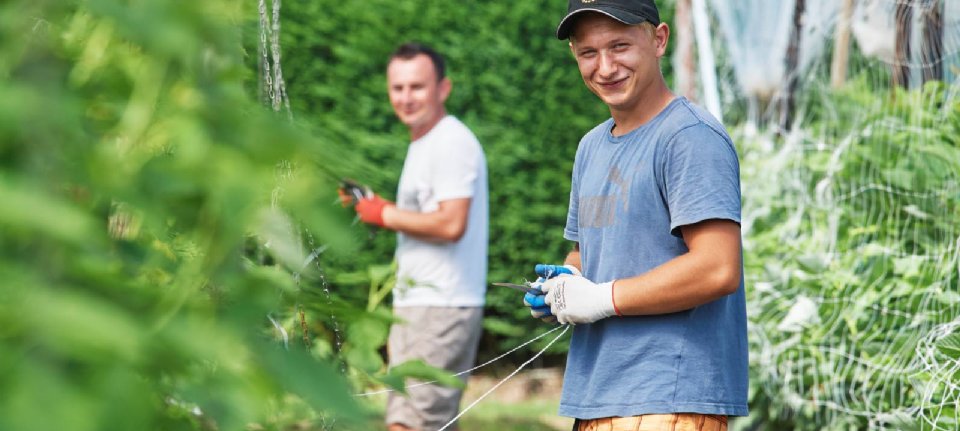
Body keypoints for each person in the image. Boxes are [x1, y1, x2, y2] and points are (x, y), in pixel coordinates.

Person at [523, 1, 748, 430]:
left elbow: (718, 268)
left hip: (669, 398)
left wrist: (602, 298)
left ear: (659, 39)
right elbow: (589, 253)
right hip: (598, 395)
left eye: (620, 46)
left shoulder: (689, 138)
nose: (605, 66)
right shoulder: (591, 146)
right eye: (588, 52)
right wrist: (564, 285)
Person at [344, 42, 488, 431]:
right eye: (398, 88)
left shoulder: (450, 142)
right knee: (428, 423)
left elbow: (450, 224)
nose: (406, 98)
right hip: (423, 304)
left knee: (408, 425)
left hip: (440, 306)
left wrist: (384, 213)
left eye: (417, 87)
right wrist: (375, 205)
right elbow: (430, 215)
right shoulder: (426, 142)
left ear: (443, 88)